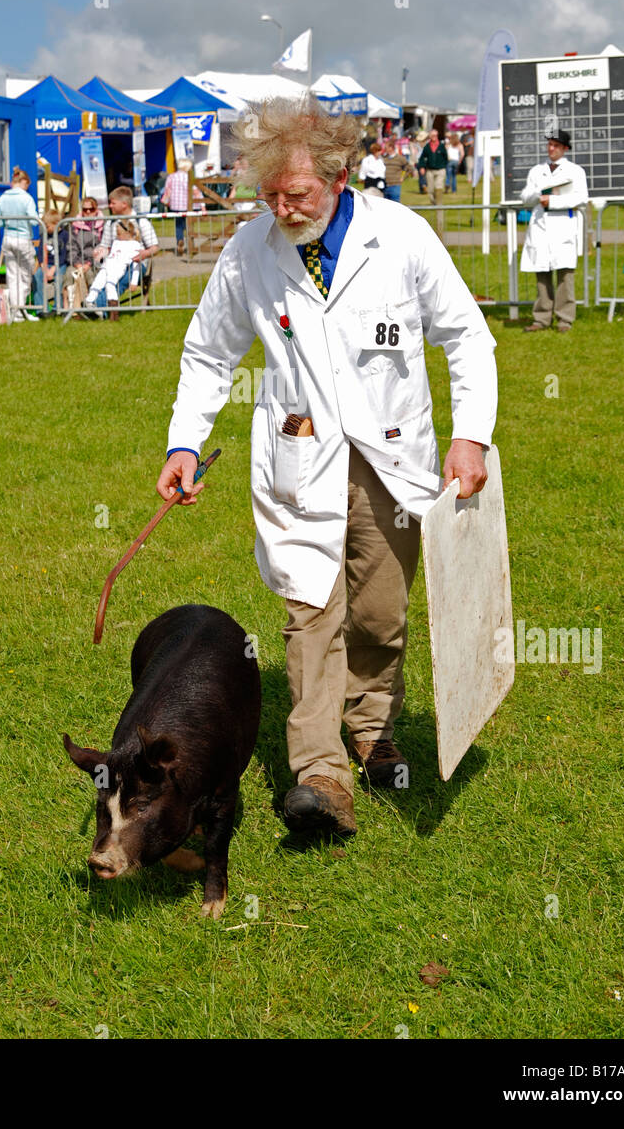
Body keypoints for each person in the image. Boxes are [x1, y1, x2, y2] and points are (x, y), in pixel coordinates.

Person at [156, 96, 497, 838]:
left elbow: (467, 338)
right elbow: (209, 352)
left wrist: (471, 435)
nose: (282, 209)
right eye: (270, 195)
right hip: (299, 456)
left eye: (298, 195)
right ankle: (319, 775)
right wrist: (185, 442)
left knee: (379, 612)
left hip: (392, 458)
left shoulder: (401, 237)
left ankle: (373, 731)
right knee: (310, 611)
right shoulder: (250, 250)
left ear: (340, 179)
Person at [519, 130, 588, 333]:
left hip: (562, 226)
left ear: (565, 148)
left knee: (565, 275)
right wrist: (539, 193)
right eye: (549, 144)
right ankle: (541, 318)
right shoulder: (537, 170)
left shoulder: (575, 171)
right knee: (542, 274)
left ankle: (565, 318)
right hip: (541, 226)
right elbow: (525, 196)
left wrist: (553, 201)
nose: (551, 149)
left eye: (556, 145)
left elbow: (581, 197)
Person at [90, 185, 159, 314]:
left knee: (120, 281)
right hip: (114, 262)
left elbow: (155, 247)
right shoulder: (111, 223)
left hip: (135, 265)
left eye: (112, 203)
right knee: (101, 278)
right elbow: (105, 246)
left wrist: (145, 254)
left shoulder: (141, 221)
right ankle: (94, 307)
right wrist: (99, 252)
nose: (110, 206)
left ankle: (95, 308)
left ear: (124, 204)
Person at [0, 167, 39, 323]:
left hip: (7, 238)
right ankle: (19, 308)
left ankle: (16, 312)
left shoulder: (2, 198)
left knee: (12, 276)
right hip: (23, 238)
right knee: (26, 275)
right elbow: (34, 220)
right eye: (28, 185)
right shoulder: (27, 198)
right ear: (24, 182)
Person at [85, 219, 145, 319]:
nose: (117, 236)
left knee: (110, 285)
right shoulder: (116, 242)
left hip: (118, 267)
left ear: (127, 233)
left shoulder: (135, 245)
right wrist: (101, 257)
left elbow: (136, 264)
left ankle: (113, 312)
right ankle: (90, 303)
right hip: (107, 266)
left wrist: (134, 281)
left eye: (119, 234)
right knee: (97, 283)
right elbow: (111, 254)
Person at [31, 207, 69, 312]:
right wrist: (43, 266)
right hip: (46, 264)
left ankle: (58, 307)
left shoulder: (65, 235)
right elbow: (40, 253)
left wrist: (53, 269)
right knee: (37, 276)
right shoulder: (44, 235)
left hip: (60, 264)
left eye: (47, 226)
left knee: (59, 279)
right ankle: (41, 308)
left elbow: (64, 255)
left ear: (56, 223)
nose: (45, 228)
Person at [417, 129, 449, 235]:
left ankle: (439, 204)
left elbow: (446, 157)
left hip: (440, 170)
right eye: (432, 136)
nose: (433, 137)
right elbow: (422, 158)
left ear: (437, 136)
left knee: (438, 188)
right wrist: (422, 167)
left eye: (435, 135)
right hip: (430, 170)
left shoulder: (441, 146)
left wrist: (443, 166)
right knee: (430, 191)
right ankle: (434, 202)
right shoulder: (427, 147)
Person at [162, 159, 194, 255]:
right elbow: (194, 191)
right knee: (188, 225)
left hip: (175, 204)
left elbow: (167, 191)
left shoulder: (171, 176)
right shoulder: (189, 177)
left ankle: (179, 240)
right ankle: (189, 243)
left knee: (178, 225)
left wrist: (166, 202)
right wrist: (202, 205)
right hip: (187, 205)